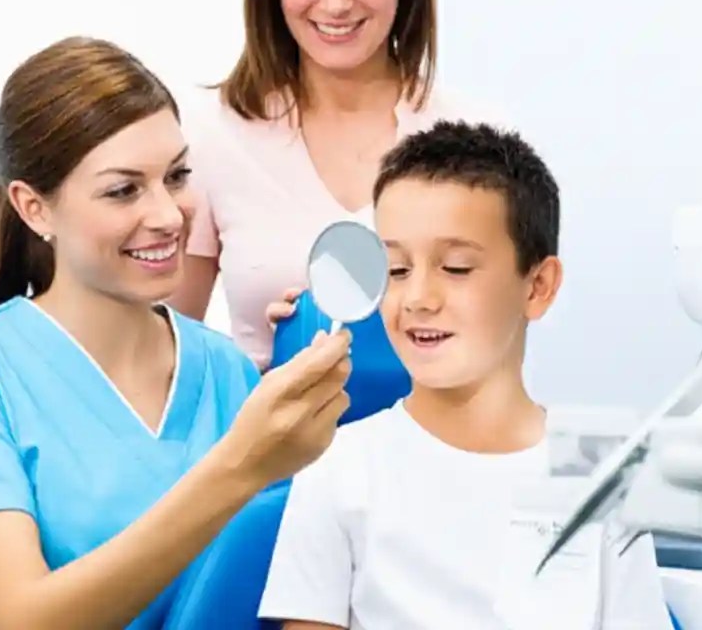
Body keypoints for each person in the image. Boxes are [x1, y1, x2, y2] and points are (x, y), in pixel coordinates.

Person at [0, 36, 354, 630]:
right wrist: (241, 465)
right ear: (34, 208)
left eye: (177, 176)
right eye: (123, 189)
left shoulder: (227, 373)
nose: (167, 214)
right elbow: (24, 620)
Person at [256, 121, 673, 629]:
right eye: (396, 270)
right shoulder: (339, 467)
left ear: (538, 286)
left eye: (455, 268)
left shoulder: (600, 465)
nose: (418, 299)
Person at [169, 0, 508, 369]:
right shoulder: (212, 133)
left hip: (427, 437)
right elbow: (167, 354)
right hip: (264, 437)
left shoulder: (475, 139)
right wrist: (259, 367)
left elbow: (497, 348)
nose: (334, 2)